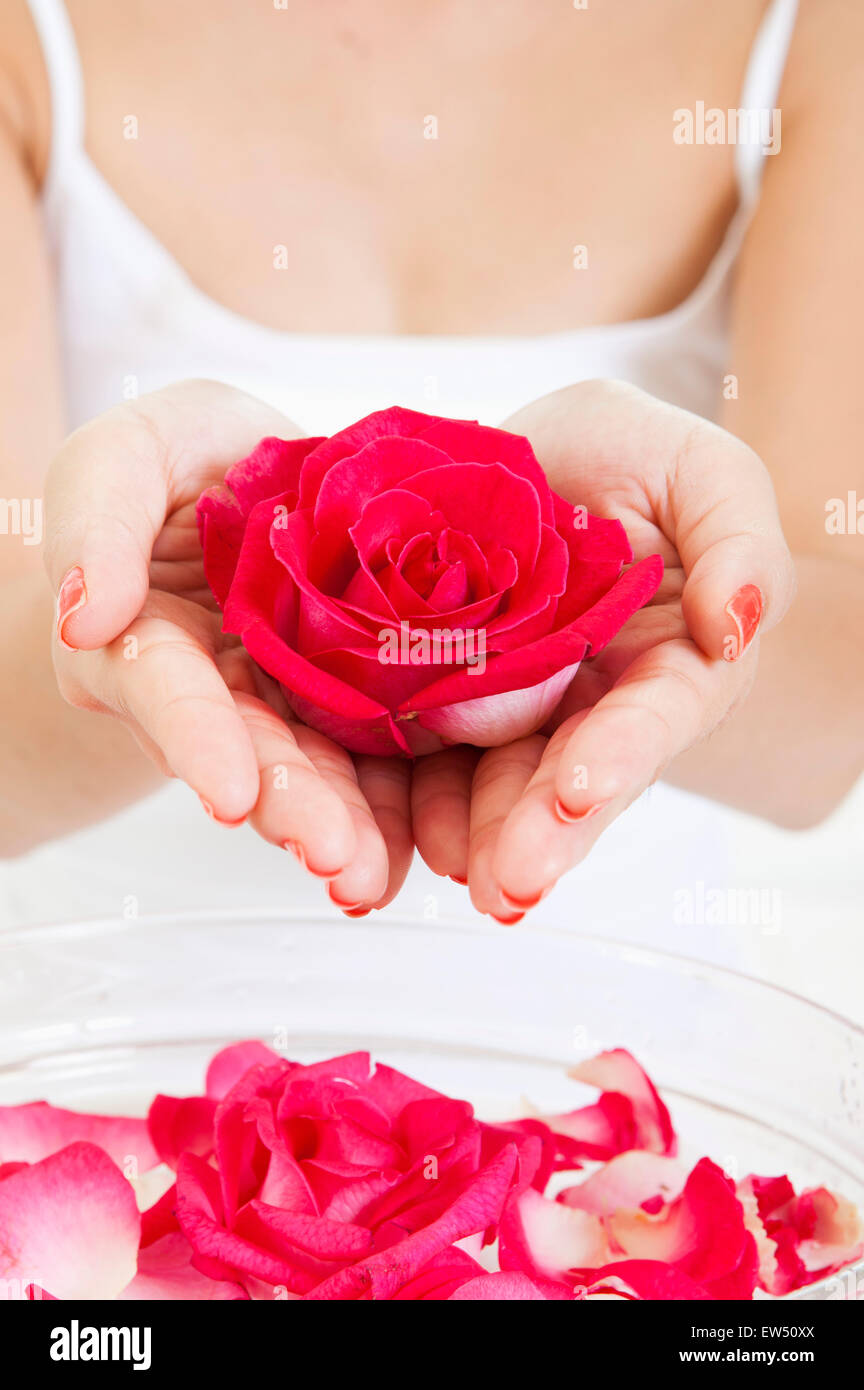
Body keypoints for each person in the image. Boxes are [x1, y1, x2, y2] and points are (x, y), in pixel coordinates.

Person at [0, 0, 860, 945]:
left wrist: (686, 628)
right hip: (102, 1012)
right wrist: (110, 641)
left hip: (632, 1019)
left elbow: (825, 746)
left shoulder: (815, 31)